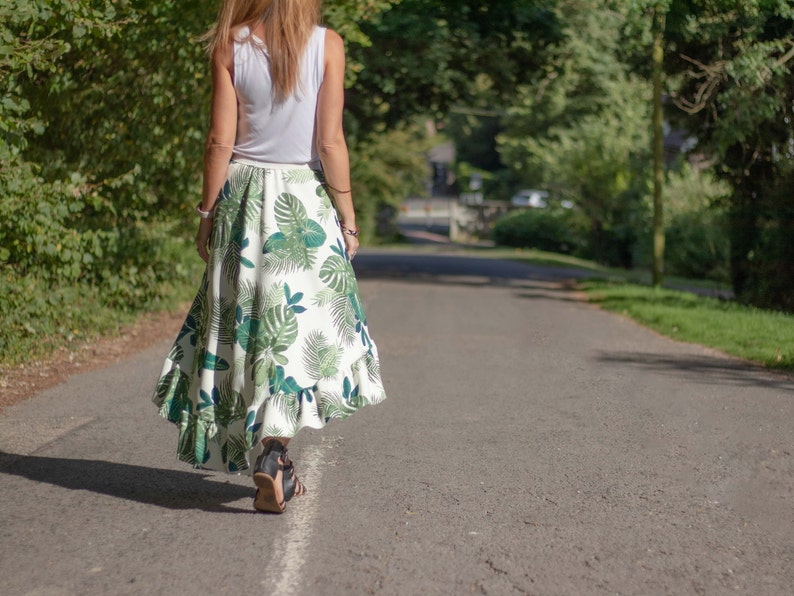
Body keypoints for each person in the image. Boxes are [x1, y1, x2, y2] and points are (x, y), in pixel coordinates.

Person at [152, 0, 387, 514]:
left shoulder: (230, 43)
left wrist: (207, 215)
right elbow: (329, 141)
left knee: (246, 321)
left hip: (242, 199)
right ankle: (276, 452)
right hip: (300, 199)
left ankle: (272, 451)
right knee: (296, 326)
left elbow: (220, 141)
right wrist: (347, 218)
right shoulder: (327, 45)